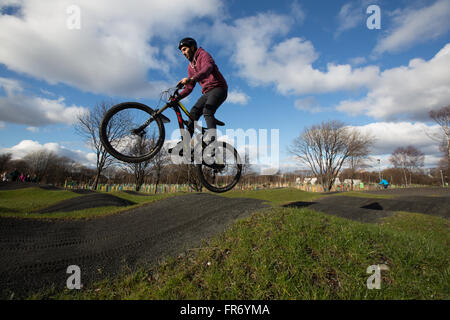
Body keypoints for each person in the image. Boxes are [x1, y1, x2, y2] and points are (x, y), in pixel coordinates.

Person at [176, 37, 228, 146]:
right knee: (193, 113)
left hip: (219, 88)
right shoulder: (190, 67)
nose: (183, 53)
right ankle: (185, 144)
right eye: (181, 51)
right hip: (207, 92)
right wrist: (177, 97)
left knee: (207, 111)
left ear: (193, 47)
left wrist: (191, 79)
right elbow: (189, 87)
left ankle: (213, 143)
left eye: (185, 49)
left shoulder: (203, 55)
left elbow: (207, 68)